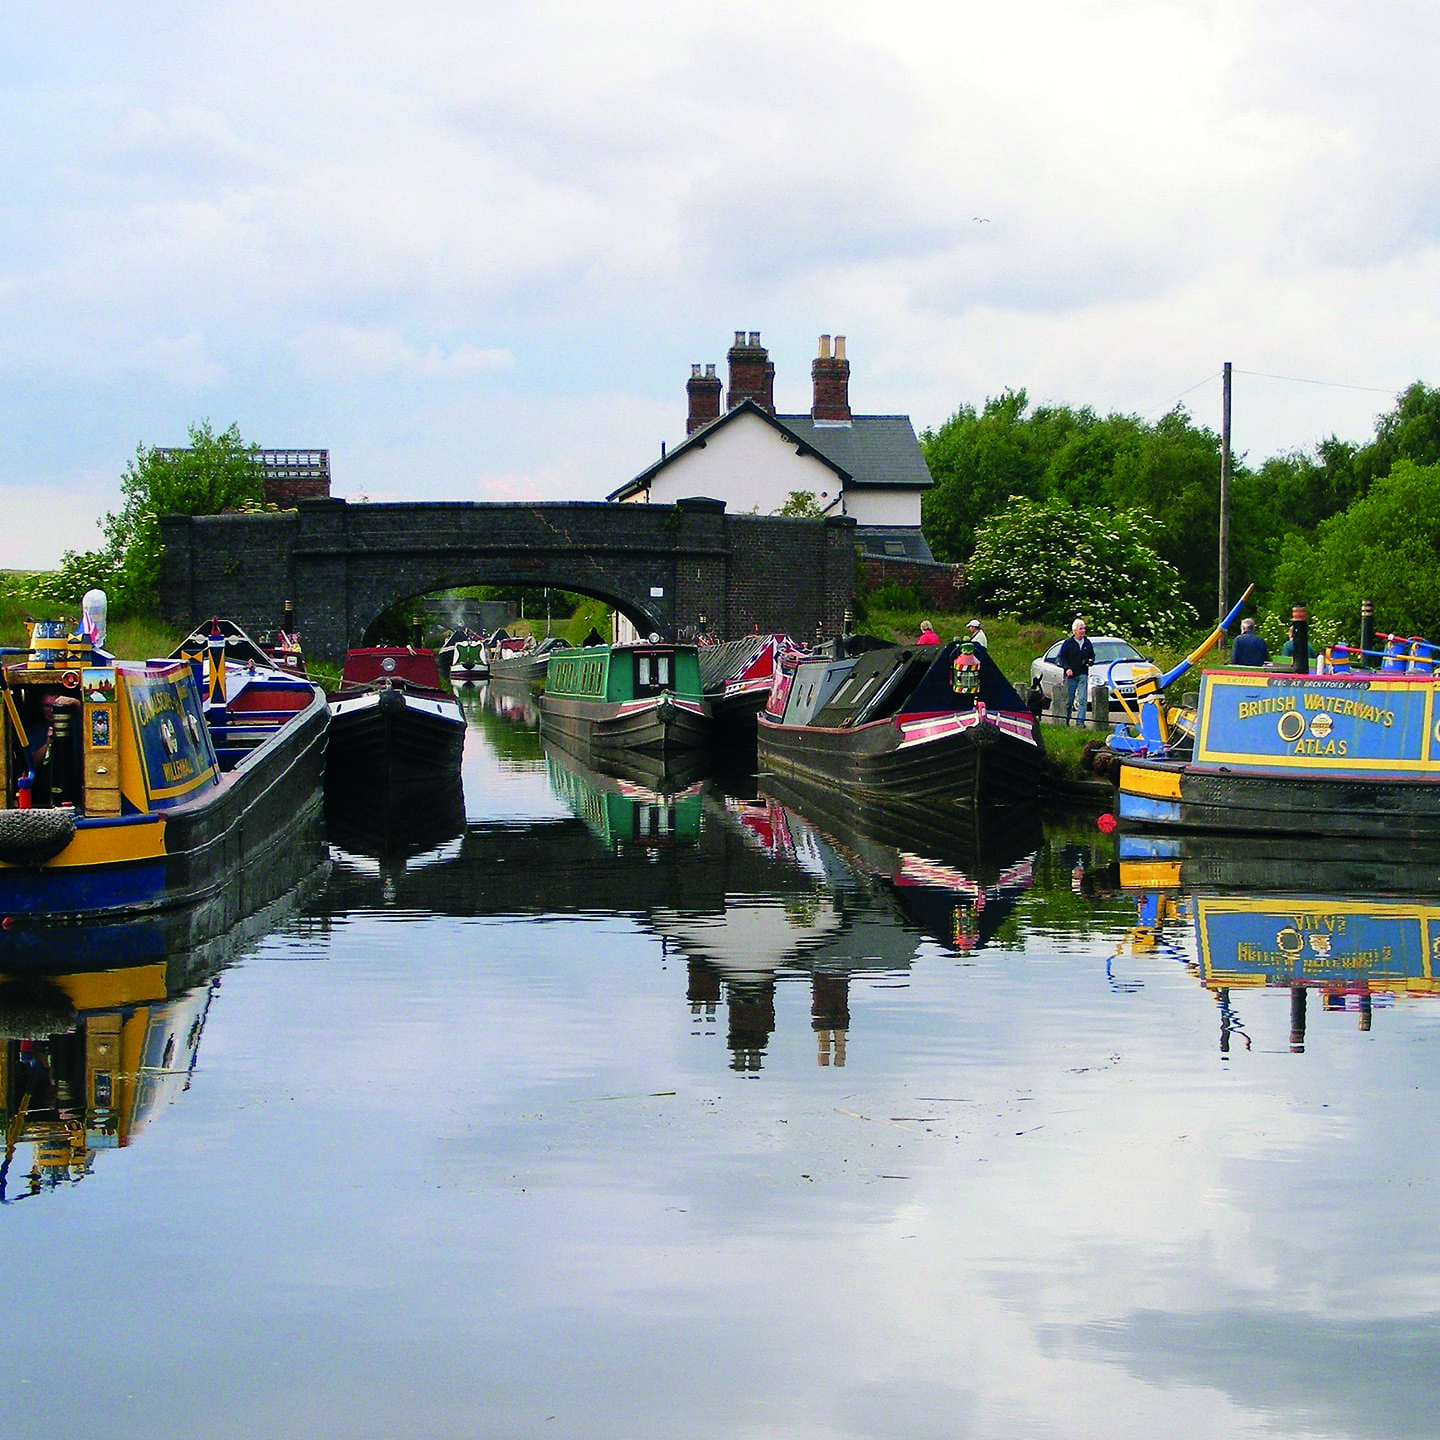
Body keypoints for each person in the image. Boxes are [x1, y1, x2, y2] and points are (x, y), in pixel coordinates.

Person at [1058, 619, 1095, 726]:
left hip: (1083, 674)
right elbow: (1060, 658)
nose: (1083, 631)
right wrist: (1067, 668)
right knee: (1069, 701)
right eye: (1080, 629)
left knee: (1082, 700)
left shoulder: (1087, 643)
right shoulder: (1068, 643)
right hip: (1070, 676)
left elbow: (1092, 656)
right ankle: (1066, 721)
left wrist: (1090, 662)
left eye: (1084, 628)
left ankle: (1080, 723)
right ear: (1075, 631)